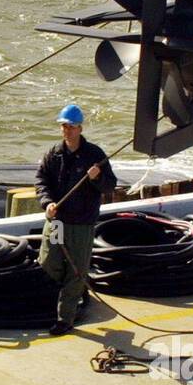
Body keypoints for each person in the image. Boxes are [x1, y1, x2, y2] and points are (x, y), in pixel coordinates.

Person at [35, 104, 117, 335]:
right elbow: (41, 181)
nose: (66, 131)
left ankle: (65, 318)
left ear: (80, 128)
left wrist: (97, 177)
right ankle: (74, 291)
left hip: (81, 224)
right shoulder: (54, 154)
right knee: (48, 262)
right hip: (58, 221)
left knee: (76, 271)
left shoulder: (95, 155)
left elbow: (109, 185)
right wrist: (46, 202)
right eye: (63, 126)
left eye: (70, 127)